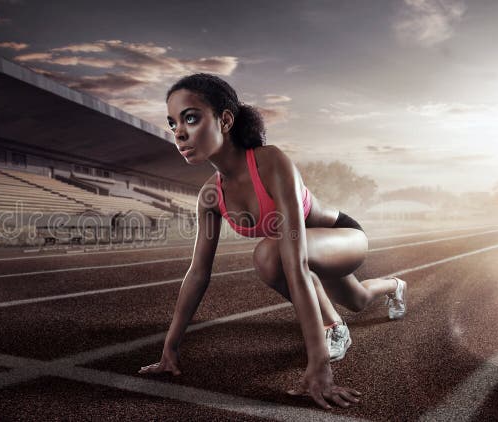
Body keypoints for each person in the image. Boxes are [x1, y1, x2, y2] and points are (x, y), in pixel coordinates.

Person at [138, 73, 407, 410]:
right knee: (359, 298)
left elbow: (295, 264)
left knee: (270, 253)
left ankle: (333, 329)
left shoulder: (270, 161)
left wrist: (319, 364)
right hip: (302, 249)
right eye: (172, 123)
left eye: (190, 118)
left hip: (344, 238)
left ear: (224, 120)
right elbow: (198, 274)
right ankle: (394, 286)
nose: (179, 132)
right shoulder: (210, 197)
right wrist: (170, 350)